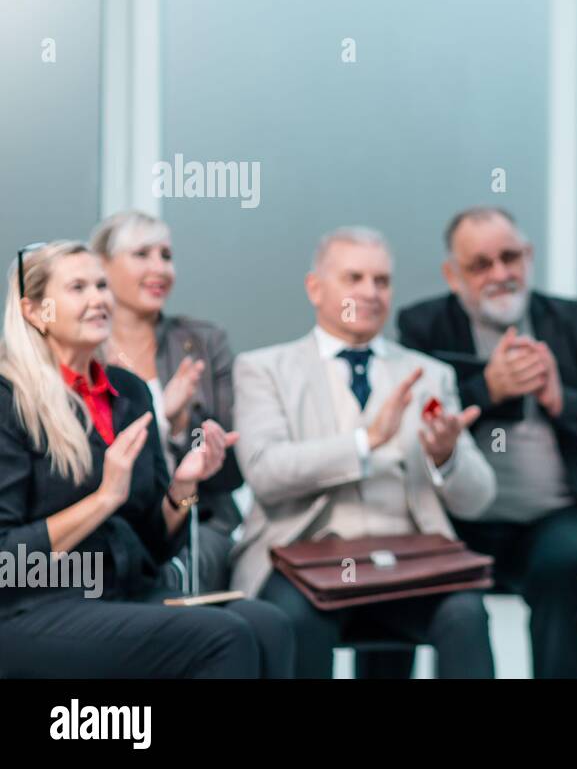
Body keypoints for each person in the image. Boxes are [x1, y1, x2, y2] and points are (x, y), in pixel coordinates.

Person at [0, 241, 292, 678]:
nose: (99, 298)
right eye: (78, 287)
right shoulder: (10, 400)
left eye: (101, 285)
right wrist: (104, 497)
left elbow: (155, 542)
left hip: (128, 591)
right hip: (37, 606)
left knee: (270, 626)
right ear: (34, 311)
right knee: (223, 637)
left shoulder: (129, 392)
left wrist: (184, 488)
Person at [231, 227, 496, 678]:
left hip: (410, 566)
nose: (370, 293)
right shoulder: (264, 369)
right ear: (315, 288)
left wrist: (446, 457)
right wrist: (364, 442)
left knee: (466, 614)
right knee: (291, 622)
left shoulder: (428, 375)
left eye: (381, 281)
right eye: (353, 278)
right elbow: (266, 473)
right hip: (303, 560)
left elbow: (480, 499)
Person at [398, 206, 577, 678]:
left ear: (529, 257)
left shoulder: (573, 322)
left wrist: (559, 399)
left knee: (567, 568)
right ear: (454, 276)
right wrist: (486, 391)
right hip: (455, 519)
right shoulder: (423, 326)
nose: (500, 274)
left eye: (510, 257)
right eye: (481, 264)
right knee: (446, 600)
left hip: (551, 515)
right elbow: (415, 426)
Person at [91, 210, 242, 593]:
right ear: (102, 266)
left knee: (179, 569)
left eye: (166, 256)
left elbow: (230, 472)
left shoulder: (205, 342)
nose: (160, 268)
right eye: (142, 254)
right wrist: (161, 414)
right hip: (111, 520)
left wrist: (180, 430)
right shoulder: (82, 349)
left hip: (196, 517)